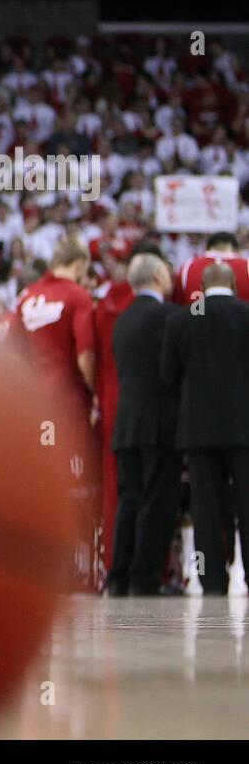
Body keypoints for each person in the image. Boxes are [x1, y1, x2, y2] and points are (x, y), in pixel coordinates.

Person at [15, 237, 102, 591]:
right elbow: (85, 355)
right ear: (80, 263)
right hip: (67, 400)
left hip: (34, 400)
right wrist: (97, 394)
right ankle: (77, 570)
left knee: (39, 480)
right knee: (76, 484)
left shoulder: (26, 296)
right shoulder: (77, 297)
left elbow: (15, 352)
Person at [160, 262, 249, 596]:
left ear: (201, 285)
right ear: (233, 284)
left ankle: (212, 582)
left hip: (197, 429)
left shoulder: (182, 319)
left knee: (205, 509)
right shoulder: (245, 313)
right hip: (244, 428)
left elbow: (167, 376)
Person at [109, 252, 182, 596]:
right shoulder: (169, 317)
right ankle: (145, 577)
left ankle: (118, 575)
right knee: (157, 500)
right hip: (159, 422)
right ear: (156, 275)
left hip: (126, 423)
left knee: (130, 500)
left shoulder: (122, 320)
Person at [173, 231, 249, 305]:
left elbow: (178, 304)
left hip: (197, 315)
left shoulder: (188, 266)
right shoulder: (246, 265)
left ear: (207, 248)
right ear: (237, 249)